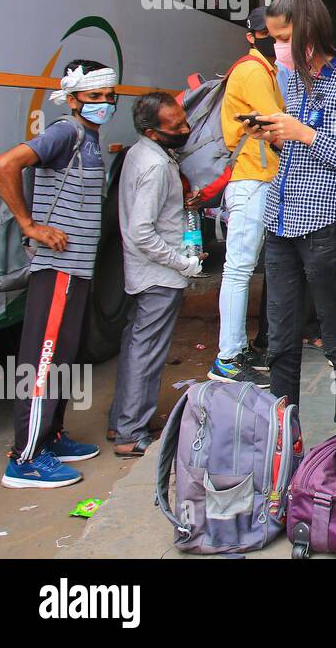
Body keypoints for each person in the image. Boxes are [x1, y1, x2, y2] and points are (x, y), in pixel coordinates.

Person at [252, 0, 336, 427]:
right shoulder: (289, 81)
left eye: (283, 38)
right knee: (281, 341)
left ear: (308, 30)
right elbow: (296, 152)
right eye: (273, 39)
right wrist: (274, 135)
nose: (277, 48)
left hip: (324, 227)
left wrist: (305, 133)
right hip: (280, 224)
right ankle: (284, 441)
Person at [0, 60, 116, 488]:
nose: (103, 104)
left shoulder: (89, 137)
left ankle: (51, 437)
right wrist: (30, 226)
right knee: (43, 363)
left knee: (64, 356)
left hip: (77, 269)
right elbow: (5, 164)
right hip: (58, 269)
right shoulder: (66, 132)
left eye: (107, 96)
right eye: (94, 97)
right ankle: (24, 460)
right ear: (75, 97)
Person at [108, 93, 203, 458]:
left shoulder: (141, 154)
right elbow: (141, 232)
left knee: (137, 347)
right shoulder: (156, 166)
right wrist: (182, 263)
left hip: (147, 271)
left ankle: (123, 421)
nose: (185, 129)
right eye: (176, 126)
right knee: (146, 352)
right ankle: (130, 433)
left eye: (183, 120)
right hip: (158, 275)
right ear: (152, 131)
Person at [211, 4, 285, 386]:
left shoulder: (263, 69)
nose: (277, 42)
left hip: (257, 177)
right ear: (254, 36)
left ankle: (238, 347)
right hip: (251, 179)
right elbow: (279, 125)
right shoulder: (255, 71)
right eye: (273, 35)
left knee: (244, 268)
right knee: (239, 269)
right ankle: (227, 357)